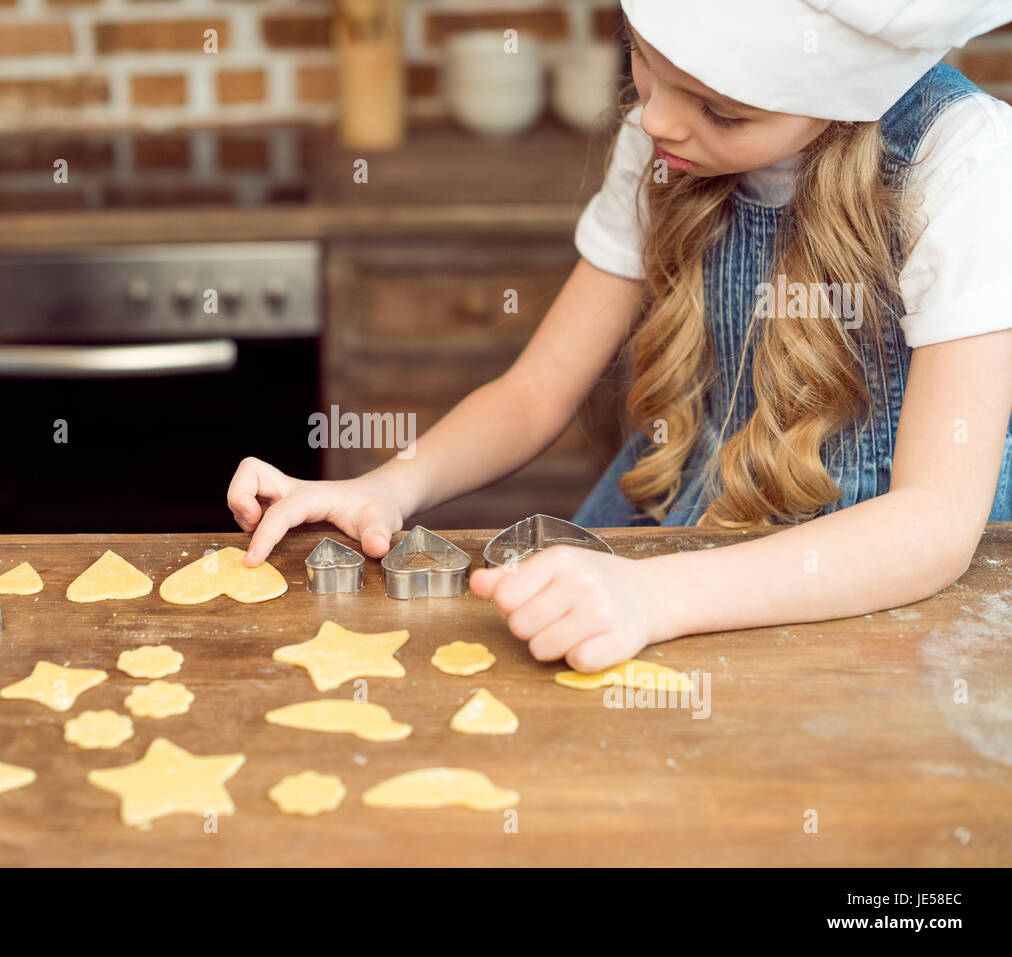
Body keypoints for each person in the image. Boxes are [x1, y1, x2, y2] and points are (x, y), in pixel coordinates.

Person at [228, 0, 1012, 672]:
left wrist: (653, 596)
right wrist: (384, 488)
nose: (658, 118)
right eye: (642, 55)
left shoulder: (965, 165)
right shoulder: (666, 140)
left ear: (846, 94)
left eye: (722, 110)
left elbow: (934, 523)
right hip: (666, 558)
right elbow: (535, 393)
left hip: (864, 600)